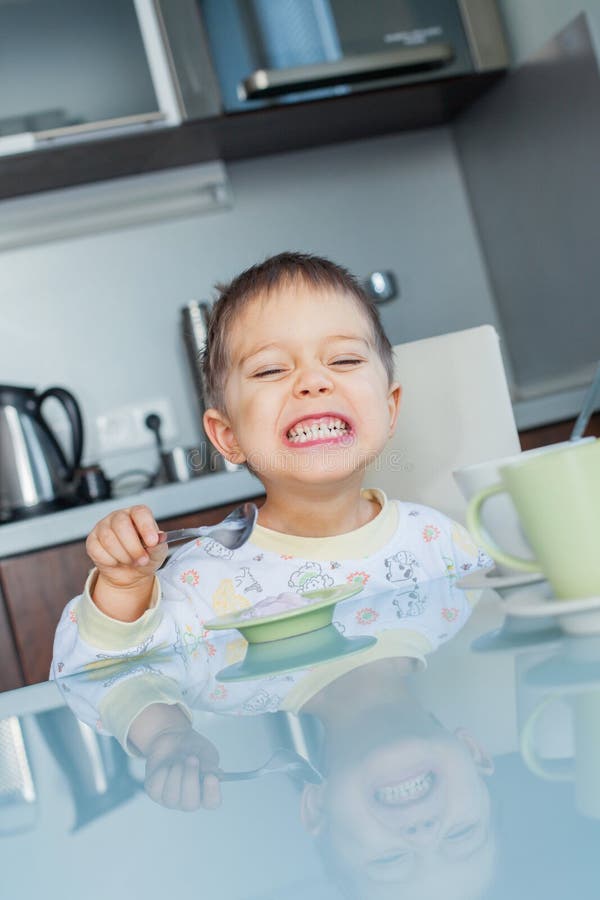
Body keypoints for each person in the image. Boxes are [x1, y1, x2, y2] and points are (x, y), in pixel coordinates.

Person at [52, 251, 491, 794]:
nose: (312, 383)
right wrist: (124, 590)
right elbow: (91, 673)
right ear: (227, 436)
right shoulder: (201, 586)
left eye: (346, 361)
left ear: (390, 406)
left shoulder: (441, 544)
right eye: (271, 370)